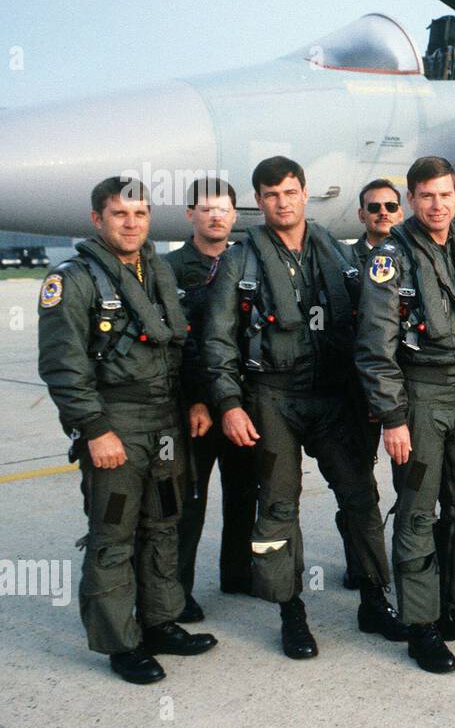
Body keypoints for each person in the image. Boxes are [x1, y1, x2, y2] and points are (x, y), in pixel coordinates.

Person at [203, 156, 403, 659]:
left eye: (290, 192)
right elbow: (217, 339)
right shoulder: (239, 259)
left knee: (361, 497)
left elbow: (372, 323)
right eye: (270, 195)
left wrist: (378, 398)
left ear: (304, 193)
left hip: (335, 395)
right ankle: (290, 612)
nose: (282, 202)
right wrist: (229, 403)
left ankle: (375, 600)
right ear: (260, 200)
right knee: (276, 507)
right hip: (274, 397)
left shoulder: (335, 252)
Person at [38, 176, 217, 684]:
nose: (132, 223)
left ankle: (159, 622)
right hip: (114, 423)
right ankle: (121, 642)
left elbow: (179, 347)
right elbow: (62, 366)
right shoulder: (73, 280)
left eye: (140, 215)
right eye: (120, 214)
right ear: (98, 220)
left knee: (164, 524)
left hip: (165, 422)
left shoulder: (155, 271)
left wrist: (198, 400)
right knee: (113, 535)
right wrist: (94, 429)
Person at [355, 157, 455, 674]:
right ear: (412, 199)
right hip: (420, 399)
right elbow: (375, 347)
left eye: (444, 195)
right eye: (426, 196)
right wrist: (392, 418)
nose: (437, 205)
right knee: (419, 510)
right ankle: (421, 625)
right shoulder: (390, 257)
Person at [166, 176, 257, 621]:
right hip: (199, 409)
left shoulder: (248, 263)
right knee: (191, 502)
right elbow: (175, 344)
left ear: (234, 215)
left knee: (244, 492)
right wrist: (196, 401)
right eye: (206, 209)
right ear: (191, 216)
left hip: (242, 404)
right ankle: (177, 591)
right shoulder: (170, 269)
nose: (216, 216)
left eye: (223, 209)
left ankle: (238, 572)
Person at [337, 178, 407, 590]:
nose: (383, 212)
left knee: (409, 484)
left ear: (401, 212)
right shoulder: (343, 262)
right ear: (362, 214)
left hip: (404, 392)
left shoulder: (412, 257)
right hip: (357, 391)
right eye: (374, 207)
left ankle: (404, 562)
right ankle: (363, 567)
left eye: (391, 206)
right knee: (358, 484)